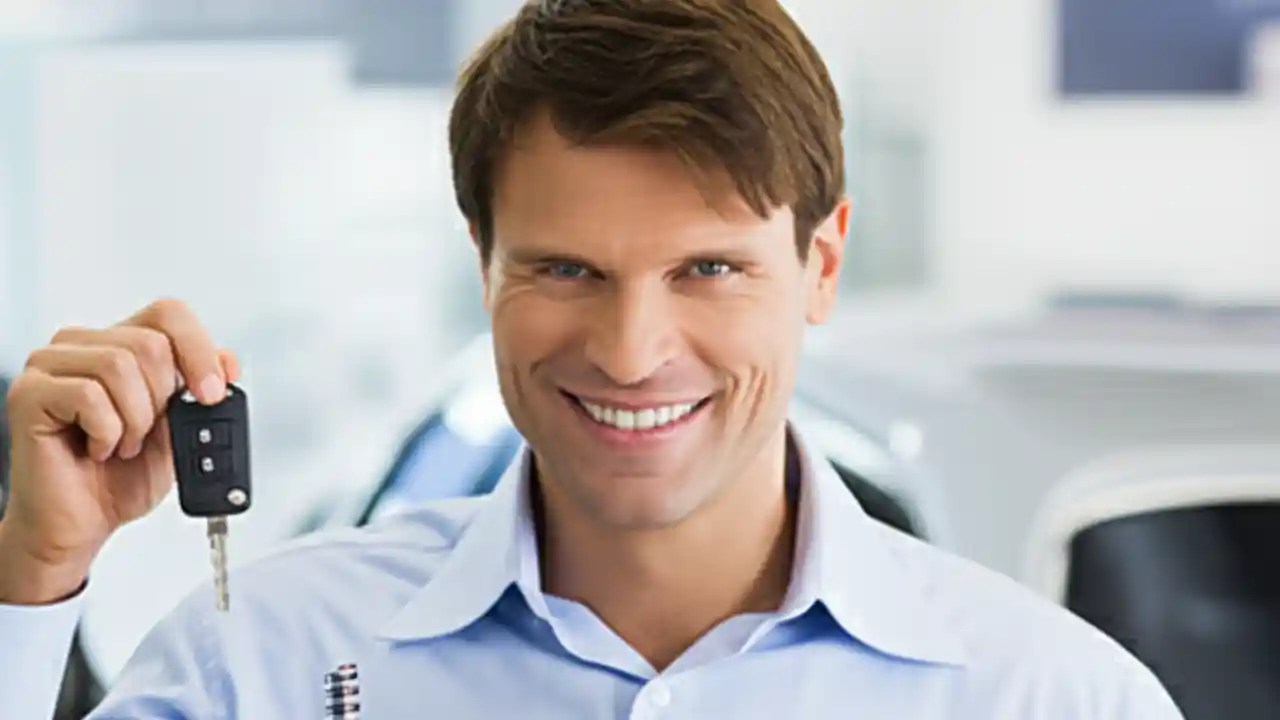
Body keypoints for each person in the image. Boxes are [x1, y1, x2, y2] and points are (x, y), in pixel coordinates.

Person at [0, 1, 1184, 718]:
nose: (628, 352)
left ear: (820, 265)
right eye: (566, 270)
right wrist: (36, 576)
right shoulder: (260, 661)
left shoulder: (1056, 699)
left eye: (706, 269)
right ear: (482, 262)